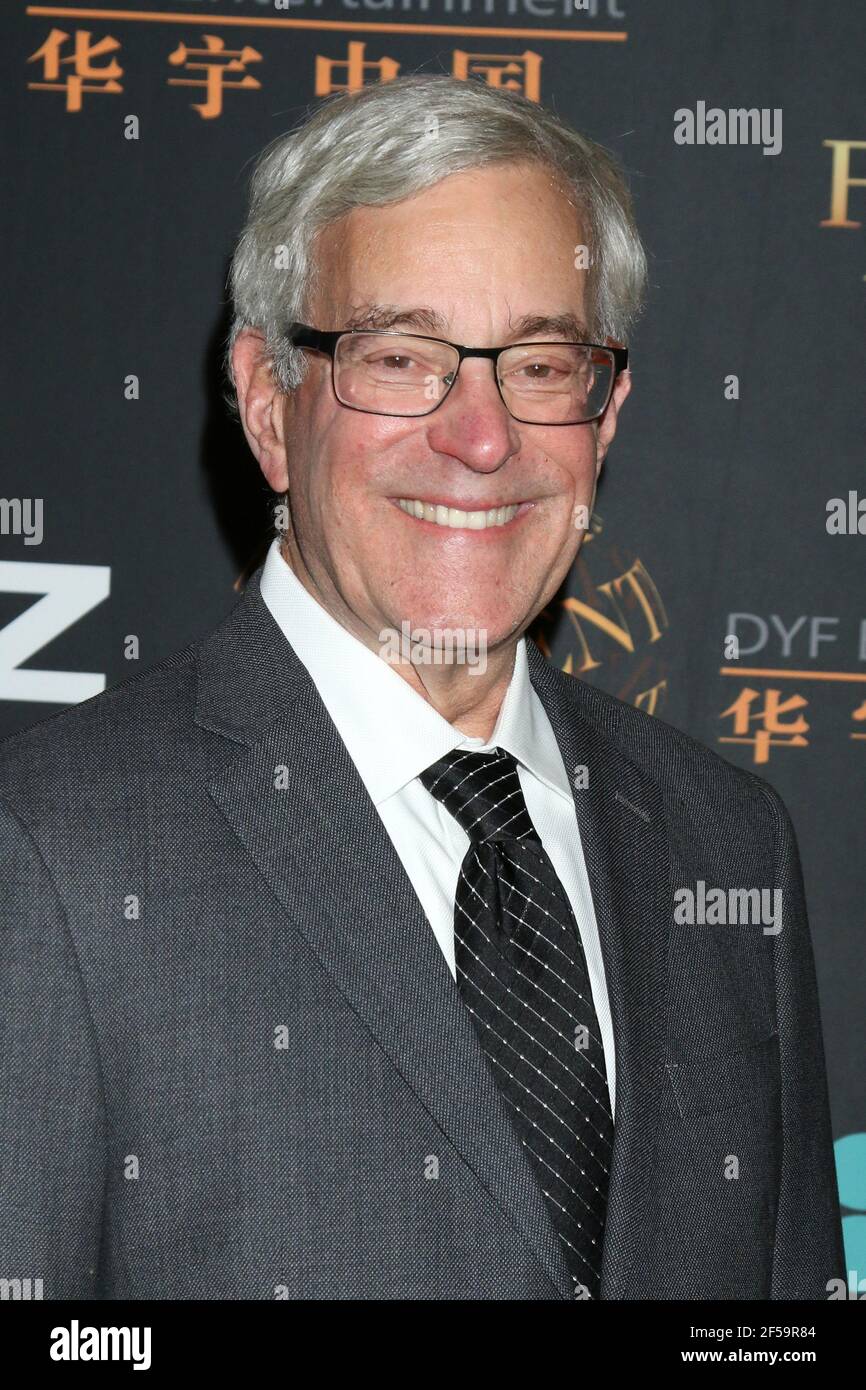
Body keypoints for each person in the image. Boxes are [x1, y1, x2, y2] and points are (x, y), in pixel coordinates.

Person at [0, 74, 843, 1300]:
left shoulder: (725, 840)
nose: (481, 435)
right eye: (400, 358)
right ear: (266, 402)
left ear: (603, 418)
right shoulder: (53, 846)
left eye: (540, 365)